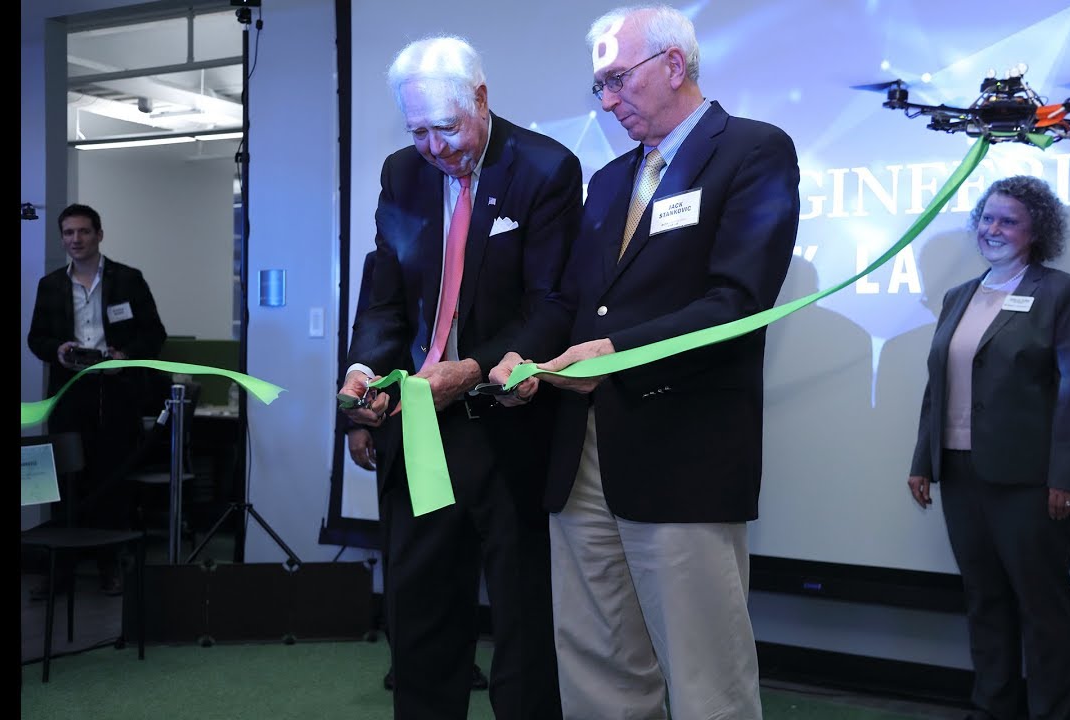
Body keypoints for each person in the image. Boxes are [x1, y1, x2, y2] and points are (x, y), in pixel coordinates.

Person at [488, 5, 800, 718]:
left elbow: (739, 301)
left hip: (681, 454)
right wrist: (524, 364)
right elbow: (573, 303)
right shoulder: (607, 182)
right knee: (598, 665)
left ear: (673, 64)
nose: (605, 102)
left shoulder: (753, 152)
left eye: (617, 80)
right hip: (584, 453)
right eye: (597, 86)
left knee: (704, 676)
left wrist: (616, 353)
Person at [338, 36, 582, 720]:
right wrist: (364, 371)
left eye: (446, 128)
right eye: (418, 130)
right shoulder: (401, 174)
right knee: (418, 612)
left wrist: (472, 370)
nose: (435, 148)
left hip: (505, 426)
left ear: (480, 98)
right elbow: (384, 295)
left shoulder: (544, 168)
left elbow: (552, 304)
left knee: (522, 619)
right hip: (418, 426)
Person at [905, 175, 1070, 720]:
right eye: (987, 217)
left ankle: (1053, 713)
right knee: (985, 603)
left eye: (1008, 220)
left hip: (1033, 480)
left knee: (1043, 610)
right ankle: (993, 709)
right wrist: (924, 460)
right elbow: (936, 384)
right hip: (962, 475)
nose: (993, 229)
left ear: (1036, 230)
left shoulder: (1061, 291)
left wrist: (1066, 476)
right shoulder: (959, 296)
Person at [343, 250, 488, 694]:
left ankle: (463, 659)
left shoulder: (477, 254)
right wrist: (353, 424)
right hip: (400, 428)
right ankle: (401, 656)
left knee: (468, 557)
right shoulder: (386, 259)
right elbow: (364, 341)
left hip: (474, 421)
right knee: (405, 558)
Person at [27, 203, 168, 596]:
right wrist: (58, 350)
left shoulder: (128, 280)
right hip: (70, 393)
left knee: (111, 481)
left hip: (116, 392)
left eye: (83, 232)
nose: (76, 240)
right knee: (66, 481)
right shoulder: (50, 285)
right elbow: (36, 338)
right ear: (62, 238)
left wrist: (124, 356)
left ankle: (111, 566)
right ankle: (61, 571)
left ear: (99, 234)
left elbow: (154, 334)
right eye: (68, 233)